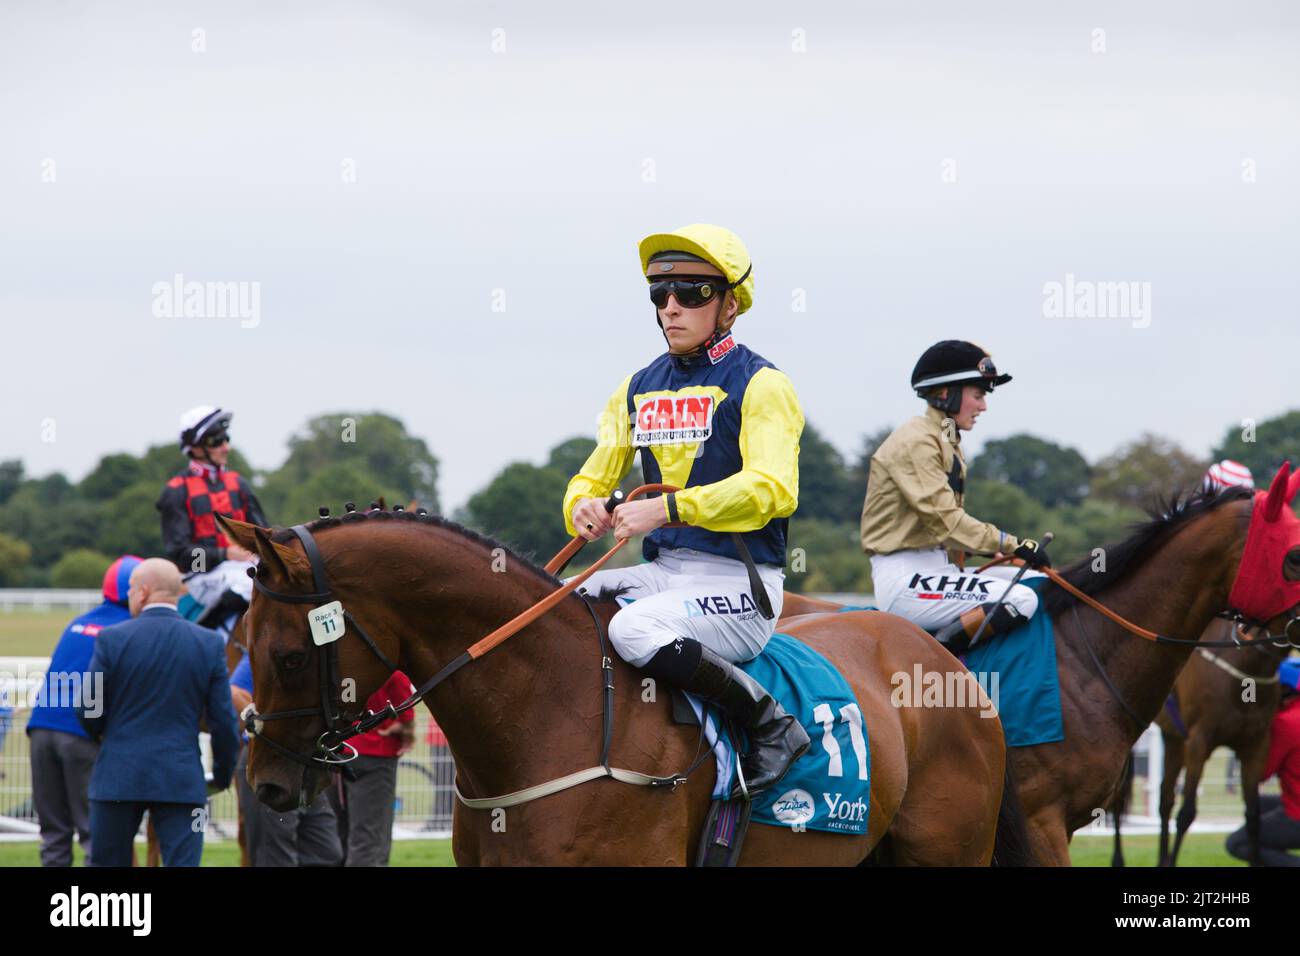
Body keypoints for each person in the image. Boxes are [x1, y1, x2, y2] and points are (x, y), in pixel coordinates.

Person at [562, 223, 809, 799]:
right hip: (663, 575)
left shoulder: (763, 383)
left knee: (633, 627)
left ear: (729, 304)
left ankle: (770, 725)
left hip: (743, 586)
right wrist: (583, 505)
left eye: (691, 294)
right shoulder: (636, 386)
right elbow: (591, 473)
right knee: (558, 602)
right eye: (659, 294)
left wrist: (668, 510)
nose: (671, 308)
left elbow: (773, 489)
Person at [859, 340, 1050, 655]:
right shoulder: (917, 441)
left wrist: (998, 554)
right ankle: (936, 664)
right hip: (905, 579)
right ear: (945, 393)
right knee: (1021, 599)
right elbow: (947, 522)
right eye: (977, 396)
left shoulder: (945, 439)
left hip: (937, 569)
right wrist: (1010, 544)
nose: (983, 406)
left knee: (1036, 584)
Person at [80, 558, 239, 867]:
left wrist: (106, 737)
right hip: (182, 779)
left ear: (143, 592)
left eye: (130, 590)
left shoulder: (111, 639)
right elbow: (223, 722)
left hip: (117, 776)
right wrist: (221, 775)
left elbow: (90, 707)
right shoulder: (207, 643)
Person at [26, 555, 141, 866]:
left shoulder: (77, 623)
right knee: (95, 835)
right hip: (81, 737)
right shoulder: (128, 630)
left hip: (40, 730)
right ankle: (98, 912)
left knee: (53, 833)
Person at [156, 405, 268, 640]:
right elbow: (180, 554)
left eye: (226, 439)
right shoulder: (176, 491)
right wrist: (225, 554)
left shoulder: (239, 484)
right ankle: (198, 638)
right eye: (217, 441)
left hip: (244, 569)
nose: (225, 447)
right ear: (195, 448)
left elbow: (262, 535)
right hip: (201, 578)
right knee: (244, 585)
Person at [229, 654, 344, 867]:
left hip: (309, 761)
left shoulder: (321, 656)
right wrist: (264, 726)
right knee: (275, 857)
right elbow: (234, 692)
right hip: (271, 760)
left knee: (327, 853)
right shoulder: (269, 651)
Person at [337, 671, 415, 866]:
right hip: (376, 751)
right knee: (370, 843)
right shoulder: (380, 654)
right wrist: (408, 727)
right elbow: (399, 681)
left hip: (338, 750)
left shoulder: (338, 653)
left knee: (338, 839)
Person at [1226, 659, 1300, 866]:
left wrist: (1248, 737)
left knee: (1237, 844)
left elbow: (1259, 774)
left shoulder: (1286, 723)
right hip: (1294, 802)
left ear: (1282, 691)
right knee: (1258, 804)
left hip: (1297, 815)